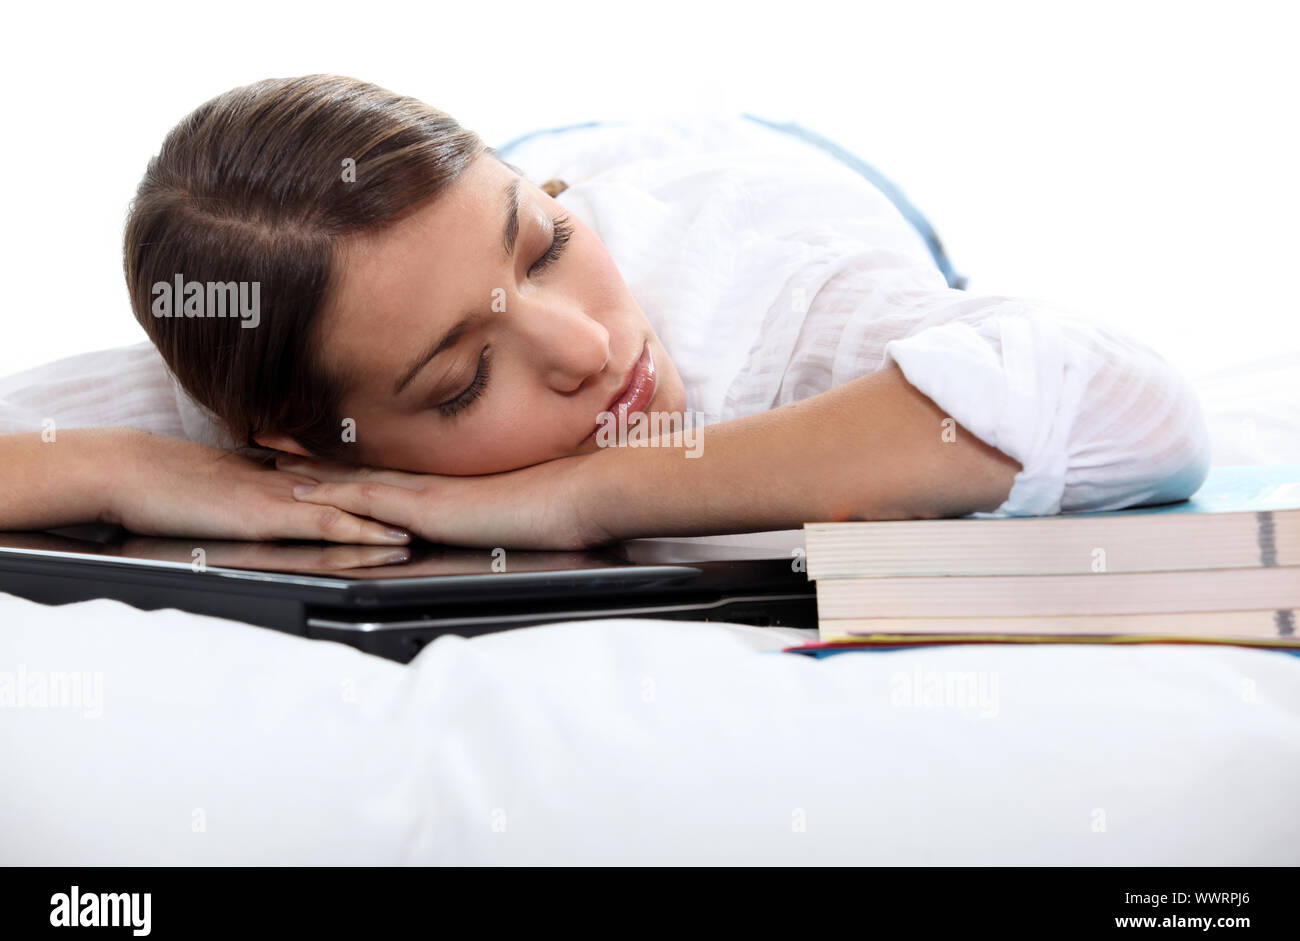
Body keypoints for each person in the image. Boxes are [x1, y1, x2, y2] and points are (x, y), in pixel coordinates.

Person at [0, 75, 1211, 550]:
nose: (591, 351)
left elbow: (1144, 413)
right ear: (299, 443)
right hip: (534, 175)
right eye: (460, 382)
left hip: (751, 156)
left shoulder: (785, 294)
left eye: (550, 252)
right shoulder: (228, 382)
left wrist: (582, 488)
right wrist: (116, 466)